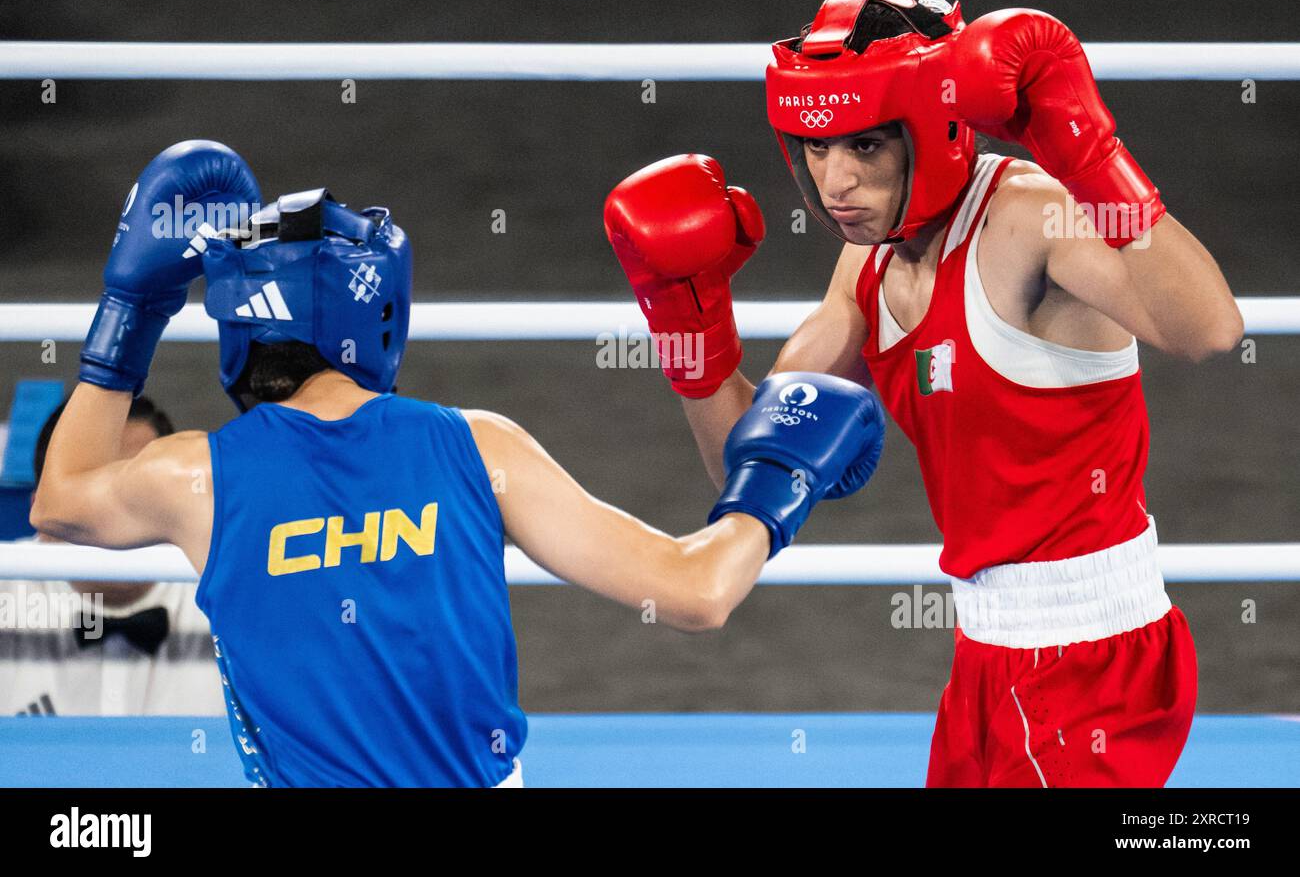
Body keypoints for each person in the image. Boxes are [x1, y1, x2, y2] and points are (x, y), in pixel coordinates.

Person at [29, 139, 886, 787]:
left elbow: (58, 502)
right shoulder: (479, 447)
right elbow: (696, 593)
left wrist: (131, 312)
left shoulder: (197, 481)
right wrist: (773, 488)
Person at [604, 0, 1243, 787]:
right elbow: (756, 462)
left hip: (1089, 662)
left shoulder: (1032, 219)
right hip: (985, 655)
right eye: (815, 146)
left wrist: (1086, 149)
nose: (834, 181)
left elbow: (1211, 330)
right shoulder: (866, 264)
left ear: (933, 131)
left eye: (866, 147)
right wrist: (690, 331)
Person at [0, 396, 225, 717]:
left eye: (138, 495)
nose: (114, 517)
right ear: (42, 509)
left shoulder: (232, 605)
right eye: (91, 495)